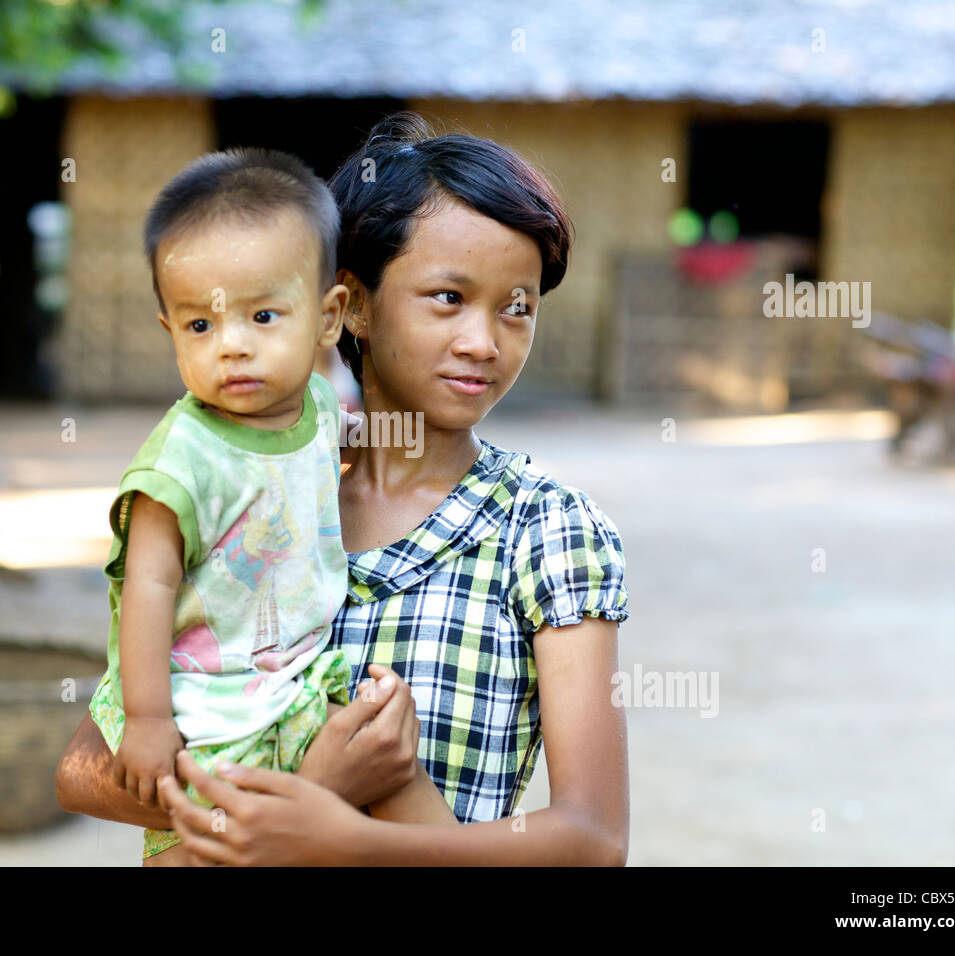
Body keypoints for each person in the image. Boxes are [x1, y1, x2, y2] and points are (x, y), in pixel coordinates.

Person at [56, 113, 631, 865]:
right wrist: (313, 783)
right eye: (448, 298)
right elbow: (83, 770)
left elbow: (593, 840)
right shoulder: (248, 488)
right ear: (350, 305)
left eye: (516, 307)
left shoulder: (545, 529)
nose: (484, 342)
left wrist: (344, 837)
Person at [88, 147, 456, 865]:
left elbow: (338, 452)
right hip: (206, 707)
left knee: (395, 770)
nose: (232, 347)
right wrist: (148, 719)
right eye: (201, 326)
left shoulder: (318, 403)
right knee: (195, 848)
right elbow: (146, 587)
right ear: (169, 330)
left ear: (329, 319)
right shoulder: (182, 461)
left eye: (262, 316)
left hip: (297, 681)